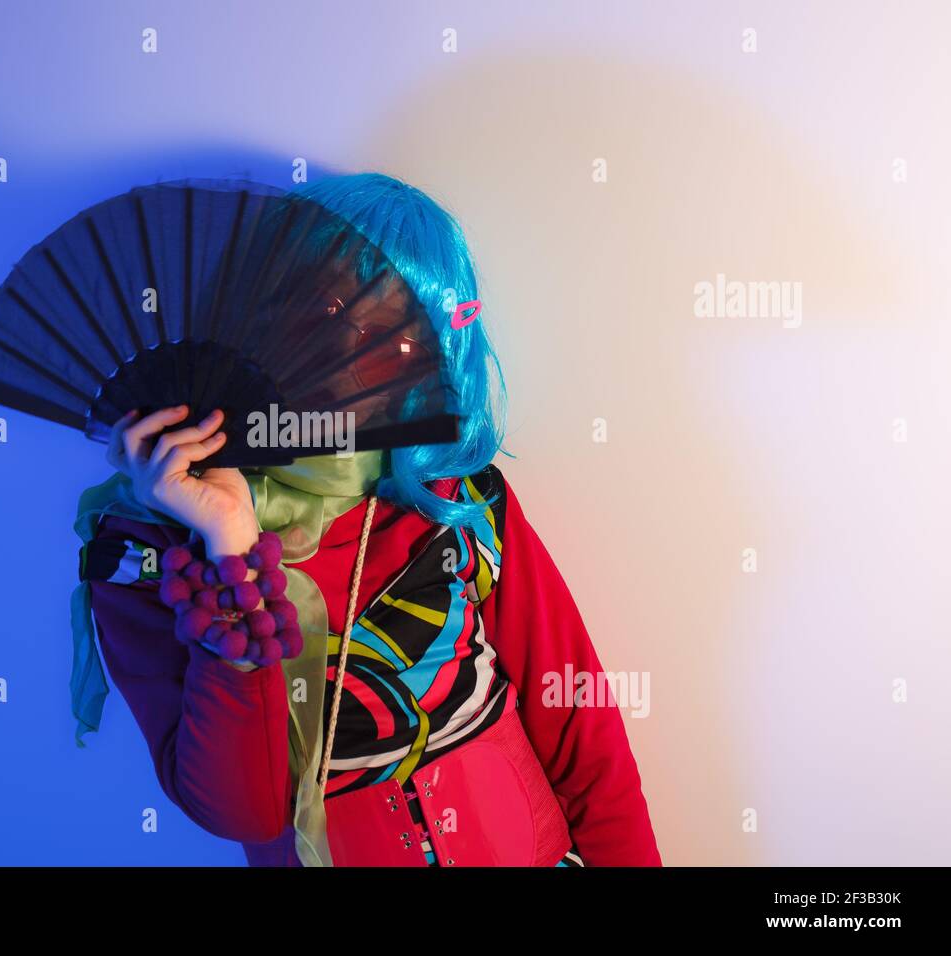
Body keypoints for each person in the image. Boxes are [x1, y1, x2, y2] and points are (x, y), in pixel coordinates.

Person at [72, 172, 662, 867]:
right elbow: (242, 809)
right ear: (263, 317)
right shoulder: (147, 553)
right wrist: (229, 547)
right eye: (323, 316)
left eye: (394, 335)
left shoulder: (461, 502)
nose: (354, 360)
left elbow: (584, 739)